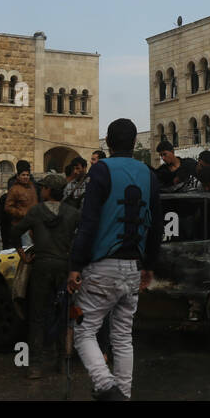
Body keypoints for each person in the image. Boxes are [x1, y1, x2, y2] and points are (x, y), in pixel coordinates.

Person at [68, 117, 163, 400]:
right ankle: (124, 393)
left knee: (83, 332)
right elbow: (156, 225)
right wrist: (150, 266)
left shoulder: (100, 171)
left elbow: (89, 222)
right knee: (122, 337)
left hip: (102, 267)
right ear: (135, 143)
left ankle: (107, 387)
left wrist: (75, 265)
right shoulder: (149, 174)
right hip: (133, 268)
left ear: (107, 142)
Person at [9, 173, 79, 378]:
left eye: (43, 188)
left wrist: (24, 255)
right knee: (63, 314)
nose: (40, 190)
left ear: (48, 190)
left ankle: (35, 366)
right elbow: (83, 238)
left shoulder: (36, 212)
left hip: (40, 266)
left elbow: (14, 232)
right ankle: (62, 361)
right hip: (64, 267)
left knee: (37, 316)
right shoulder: (73, 213)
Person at [5, 161, 39, 227]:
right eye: (23, 175)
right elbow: (8, 207)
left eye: (27, 175)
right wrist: (22, 213)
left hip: (33, 223)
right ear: (18, 176)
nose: (25, 177)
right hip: (20, 223)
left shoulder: (33, 186)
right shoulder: (14, 188)